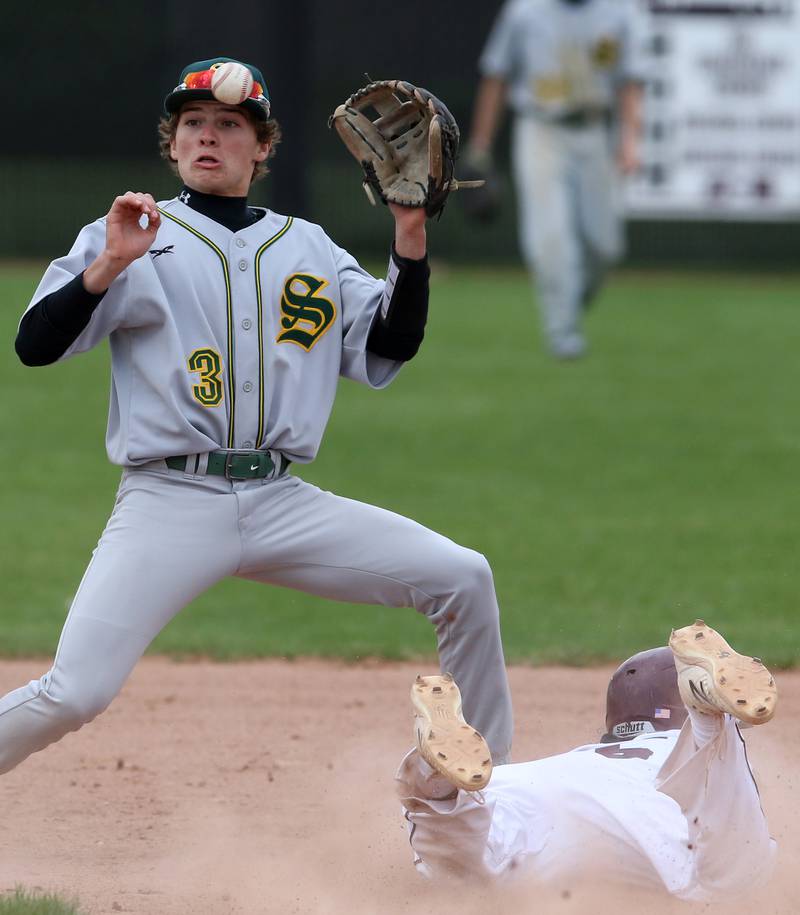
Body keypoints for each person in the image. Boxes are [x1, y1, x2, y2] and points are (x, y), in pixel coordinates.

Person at [1, 57, 513, 776]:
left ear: (263, 146)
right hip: (168, 500)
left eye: (229, 124)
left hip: (280, 502)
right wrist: (108, 266)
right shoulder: (133, 233)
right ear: (173, 144)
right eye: (193, 123)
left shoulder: (309, 247)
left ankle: (478, 790)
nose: (208, 136)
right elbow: (34, 345)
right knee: (75, 692)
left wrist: (410, 233)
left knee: (464, 578)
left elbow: (390, 342)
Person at [399, 620, 778, 900]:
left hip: (532, 807)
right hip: (662, 837)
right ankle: (708, 719)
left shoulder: (565, 763)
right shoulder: (671, 748)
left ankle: (435, 783)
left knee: (468, 874)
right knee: (733, 879)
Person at [466, 0, 645, 359]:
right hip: (541, 129)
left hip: (594, 130)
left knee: (605, 245)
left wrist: (630, 140)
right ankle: (562, 332)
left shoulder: (619, 11)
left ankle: (567, 304)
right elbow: (496, 75)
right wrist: (481, 146)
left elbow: (629, 81)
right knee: (550, 237)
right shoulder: (524, 11)